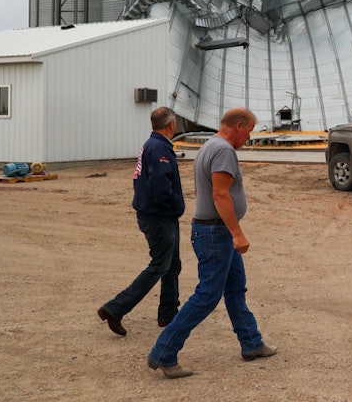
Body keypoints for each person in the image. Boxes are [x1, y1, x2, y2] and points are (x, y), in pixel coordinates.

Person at [147, 107, 276, 378]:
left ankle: (251, 342)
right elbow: (220, 195)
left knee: (235, 289)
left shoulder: (210, 146)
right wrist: (237, 232)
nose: (249, 138)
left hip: (215, 232)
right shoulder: (223, 150)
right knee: (207, 296)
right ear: (238, 126)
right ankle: (164, 352)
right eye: (249, 131)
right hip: (216, 233)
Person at [98, 107, 184, 336]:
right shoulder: (158, 148)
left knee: (172, 265)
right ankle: (115, 308)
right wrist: (174, 204)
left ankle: (168, 314)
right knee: (160, 265)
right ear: (172, 125)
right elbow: (159, 187)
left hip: (158, 216)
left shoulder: (153, 145)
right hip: (159, 217)